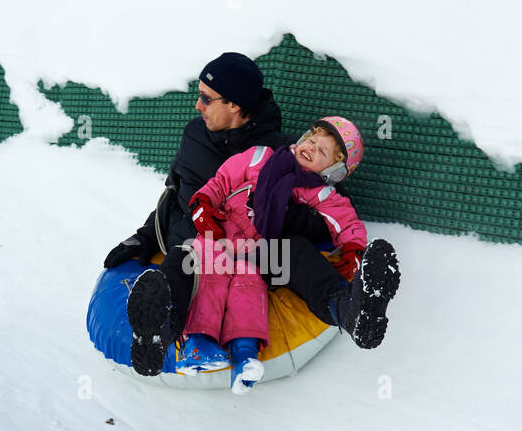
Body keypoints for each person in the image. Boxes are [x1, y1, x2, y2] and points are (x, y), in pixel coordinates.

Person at [103, 52, 399, 377]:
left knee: (298, 255)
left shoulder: (283, 158)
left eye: (205, 98)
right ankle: (158, 329)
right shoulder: (209, 141)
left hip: (258, 254)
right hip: (208, 245)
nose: (197, 106)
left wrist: (350, 247)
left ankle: (349, 310)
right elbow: (180, 191)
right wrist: (146, 236)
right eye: (310, 140)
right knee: (180, 261)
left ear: (234, 104)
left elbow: (341, 217)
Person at [182, 116, 374, 393]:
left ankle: (341, 308)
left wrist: (354, 251)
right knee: (198, 266)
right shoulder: (259, 157)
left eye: (322, 152)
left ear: (333, 170)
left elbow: (347, 223)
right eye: (311, 140)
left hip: (259, 254)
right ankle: (184, 337)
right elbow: (220, 182)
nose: (311, 148)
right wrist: (202, 205)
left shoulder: (317, 191)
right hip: (219, 239)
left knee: (272, 267)